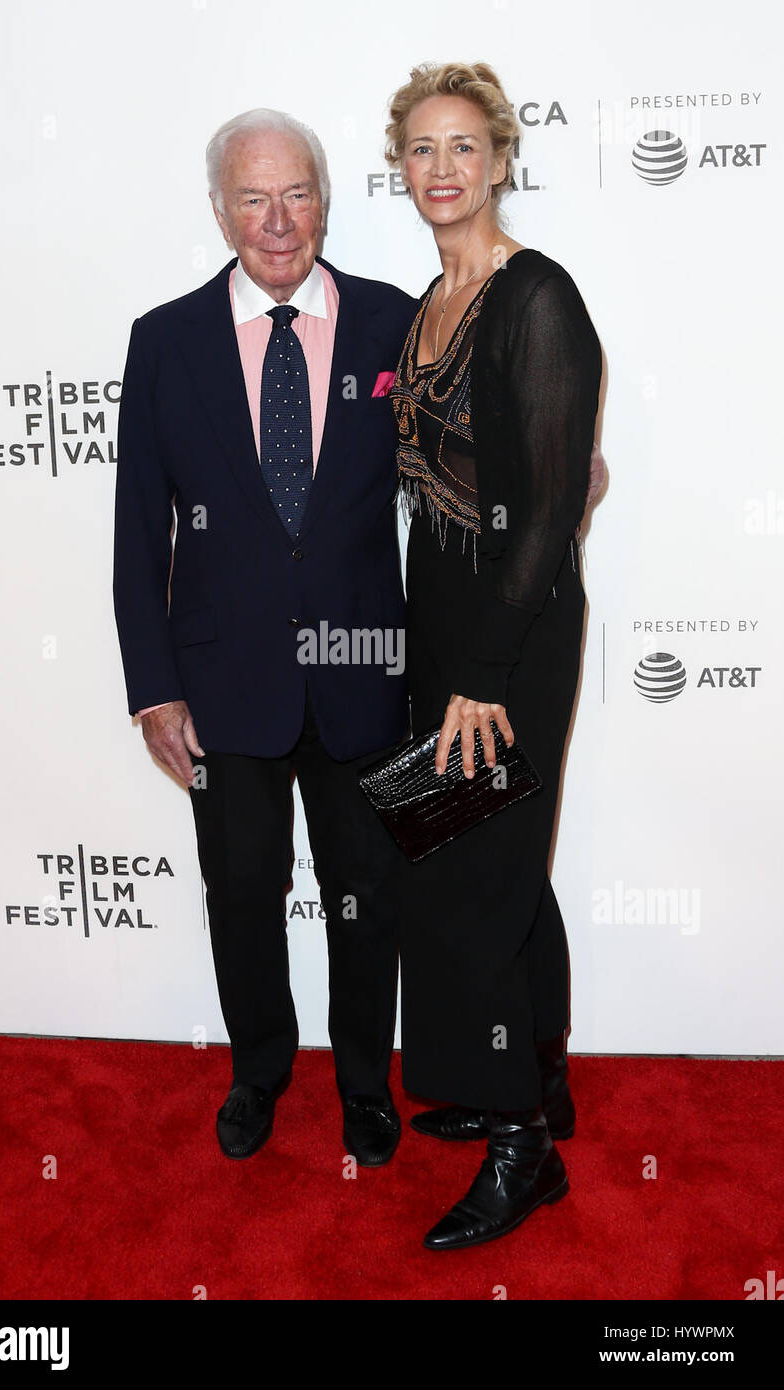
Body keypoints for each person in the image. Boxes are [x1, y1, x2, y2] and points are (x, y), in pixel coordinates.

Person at [112, 109, 416, 1166]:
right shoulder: (164, 342)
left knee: (364, 895)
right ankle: (258, 1070)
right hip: (221, 678)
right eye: (253, 196)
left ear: (324, 201)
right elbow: (135, 525)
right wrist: (152, 685)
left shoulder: (394, 323)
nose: (277, 220)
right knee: (241, 894)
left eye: (296, 194)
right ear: (218, 208)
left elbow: (464, 463)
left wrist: (560, 473)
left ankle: (365, 1083)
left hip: (362, 675)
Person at [384, 62, 603, 1249]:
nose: (442, 169)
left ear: (502, 159)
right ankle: (536, 1075)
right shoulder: (431, 297)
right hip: (441, 607)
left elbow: (555, 496)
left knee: (477, 874)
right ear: (399, 166)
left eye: (463, 147)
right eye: (421, 149)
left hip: (511, 624)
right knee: (476, 856)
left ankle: (527, 1151)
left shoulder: (535, 297)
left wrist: (482, 667)